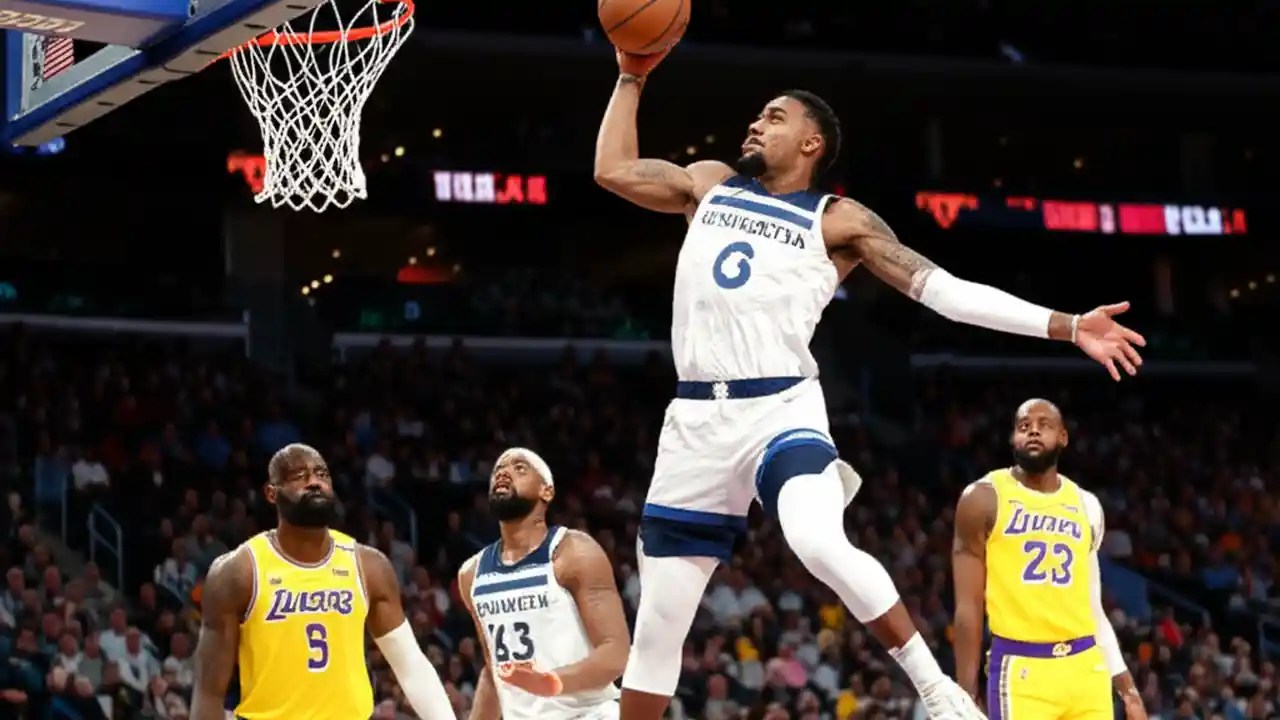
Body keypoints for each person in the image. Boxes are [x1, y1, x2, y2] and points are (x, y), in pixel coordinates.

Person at [592, 45, 1147, 720]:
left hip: (781, 409)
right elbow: (613, 170)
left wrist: (1066, 325)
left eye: (773, 117)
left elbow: (946, 293)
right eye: (756, 116)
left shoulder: (838, 221)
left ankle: (935, 688)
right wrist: (631, 73)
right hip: (693, 427)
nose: (754, 125)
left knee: (817, 539)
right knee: (656, 629)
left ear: (810, 140)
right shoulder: (707, 184)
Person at [189, 443, 454, 720]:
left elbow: (411, 665)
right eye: (299, 476)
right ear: (271, 493)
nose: (314, 482)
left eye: (321, 474)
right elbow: (209, 692)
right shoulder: (238, 571)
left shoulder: (368, 566)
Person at [952, 399, 1148, 719]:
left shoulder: (1087, 506)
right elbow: (968, 606)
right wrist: (965, 692)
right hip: (1022, 669)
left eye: (1045, 425)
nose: (1033, 431)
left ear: (1063, 437)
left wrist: (1127, 689)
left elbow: (1092, 607)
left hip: (1086, 667)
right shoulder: (983, 498)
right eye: (1024, 426)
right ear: (1013, 439)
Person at [460, 447, 629, 720]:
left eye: (520, 468)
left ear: (546, 492)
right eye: (499, 469)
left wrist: (552, 681)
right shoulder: (471, 573)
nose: (503, 472)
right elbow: (493, 672)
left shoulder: (573, 551)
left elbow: (615, 652)